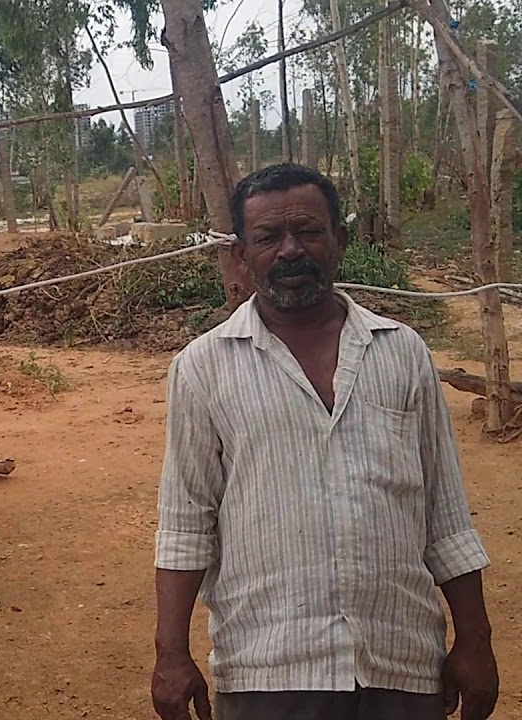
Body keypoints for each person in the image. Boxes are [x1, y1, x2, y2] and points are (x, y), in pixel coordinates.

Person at [149, 163, 499, 720]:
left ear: (338, 242)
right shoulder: (201, 368)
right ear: (241, 256)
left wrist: (475, 640)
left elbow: (445, 514)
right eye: (268, 238)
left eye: (308, 232)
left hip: (401, 661)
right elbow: (187, 525)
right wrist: (170, 654)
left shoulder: (402, 352)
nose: (290, 250)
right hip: (267, 669)